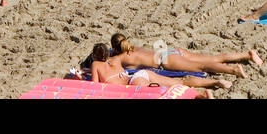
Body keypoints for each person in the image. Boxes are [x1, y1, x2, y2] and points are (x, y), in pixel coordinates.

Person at [78, 42, 229, 92]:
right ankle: (216, 82)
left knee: (200, 67)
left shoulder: (97, 64)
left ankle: (208, 90)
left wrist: (80, 77)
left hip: (137, 81)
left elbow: (95, 87)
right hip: (145, 71)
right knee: (182, 81)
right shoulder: (117, 60)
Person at [109, 33, 261, 78]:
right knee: (212, 58)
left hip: (166, 60)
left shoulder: (120, 57)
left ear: (115, 49)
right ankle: (247, 54)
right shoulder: (132, 47)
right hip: (170, 51)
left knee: (202, 66)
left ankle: (233, 70)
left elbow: (109, 67)